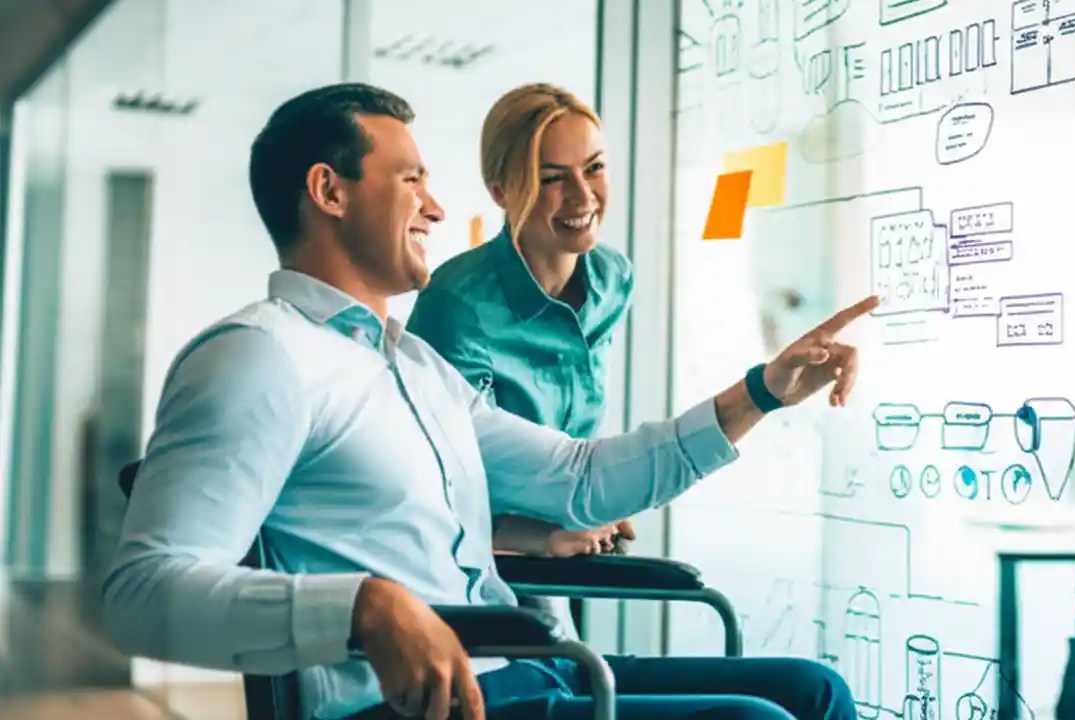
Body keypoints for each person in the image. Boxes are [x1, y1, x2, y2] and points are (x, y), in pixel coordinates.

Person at [101, 82, 878, 720]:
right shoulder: (259, 355)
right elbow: (141, 594)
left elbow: (580, 478)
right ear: (328, 191)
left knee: (813, 691)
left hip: (526, 669)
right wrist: (363, 608)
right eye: (411, 181)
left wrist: (763, 393)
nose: (436, 209)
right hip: (419, 705)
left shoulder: (412, 366)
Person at [405, 84, 633, 635]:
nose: (582, 196)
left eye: (594, 168)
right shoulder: (458, 303)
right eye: (552, 178)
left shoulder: (612, 278)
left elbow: (574, 427)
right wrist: (535, 533)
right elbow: (425, 474)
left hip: (565, 536)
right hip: (481, 554)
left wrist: (595, 498)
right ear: (501, 191)